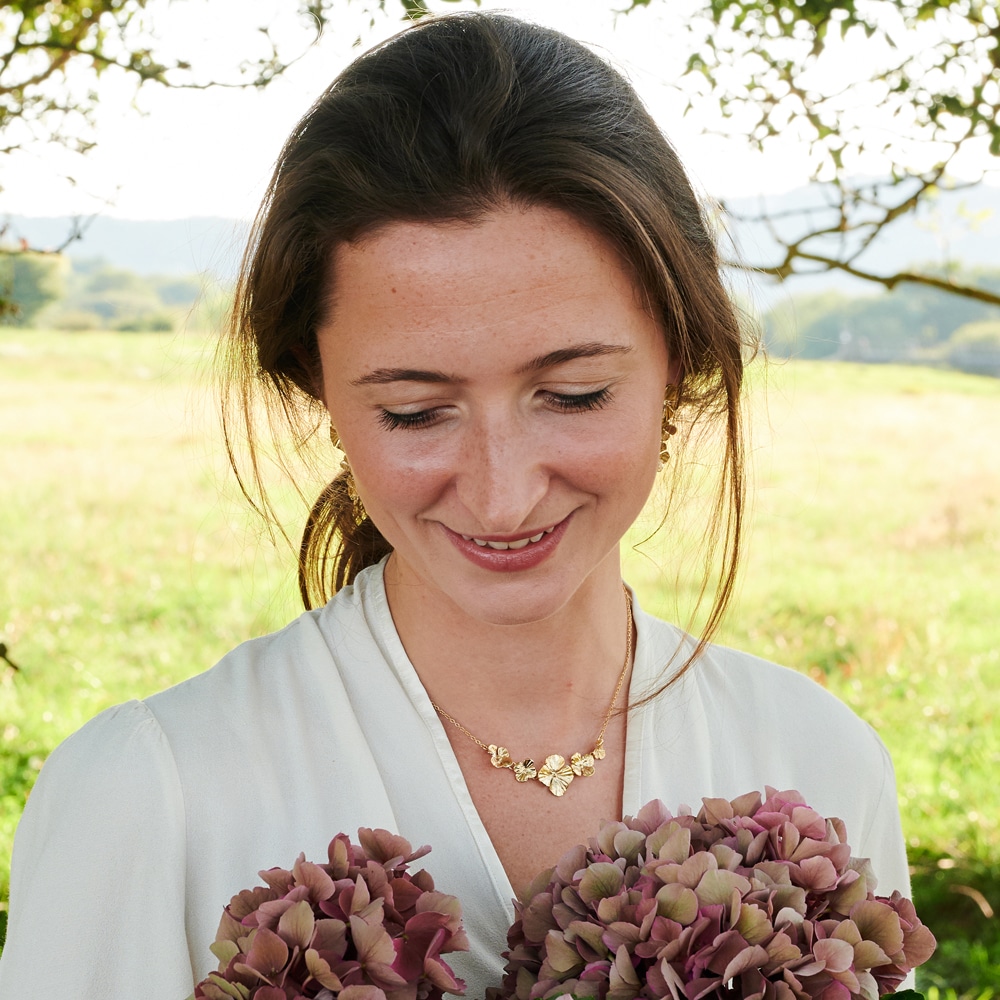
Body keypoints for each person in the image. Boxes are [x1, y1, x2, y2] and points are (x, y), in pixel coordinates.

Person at [0, 12, 911, 999]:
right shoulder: (149, 795)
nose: (501, 489)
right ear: (321, 392)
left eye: (572, 396)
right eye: (415, 411)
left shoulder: (816, 759)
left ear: (678, 362)